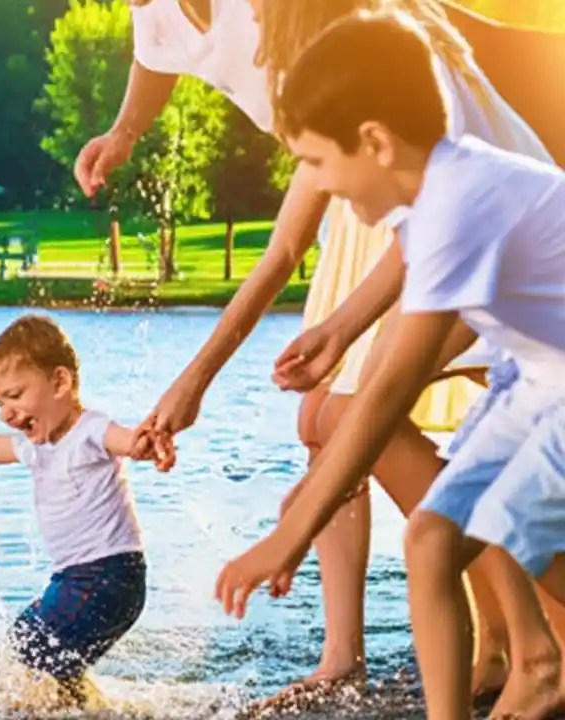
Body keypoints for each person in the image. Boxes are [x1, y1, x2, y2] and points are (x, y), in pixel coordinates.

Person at [78, 0, 556, 696]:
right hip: (427, 224)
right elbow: (289, 238)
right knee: (390, 479)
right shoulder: (337, 120)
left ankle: (538, 652)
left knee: (362, 422)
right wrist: (319, 335)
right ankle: (500, 644)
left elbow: (395, 353)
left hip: (507, 275)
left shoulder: (369, 72)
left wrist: (290, 532)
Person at [214, 13, 565, 718]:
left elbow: (387, 395)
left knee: (472, 521)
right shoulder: (434, 194)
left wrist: (292, 533)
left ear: (374, 142)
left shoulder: (459, 207)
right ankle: (527, 672)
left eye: (316, 163)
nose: (317, 186)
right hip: (532, 375)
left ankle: (538, 667)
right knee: (433, 539)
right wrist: (340, 330)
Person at [0, 315, 170, 707]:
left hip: (107, 578)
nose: (6, 413)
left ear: (60, 382)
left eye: (15, 395)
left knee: (30, 664)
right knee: (21, 648)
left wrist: (144, 444)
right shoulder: (37, 445)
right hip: (75, 581)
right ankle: (94, 710)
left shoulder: (90, 430)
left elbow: (125, 441)